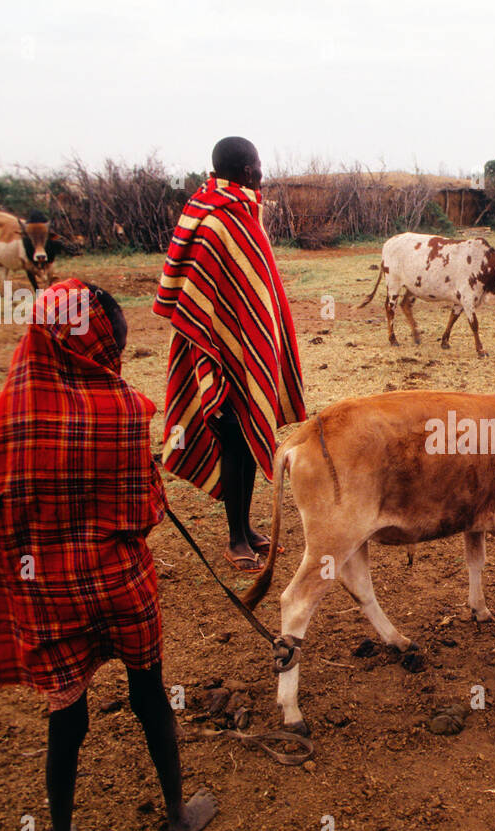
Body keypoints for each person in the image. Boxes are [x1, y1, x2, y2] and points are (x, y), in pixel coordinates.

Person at [0, 280, 216, 831]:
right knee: (149, 696)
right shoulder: (126, 411)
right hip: (120, 588)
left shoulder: (15, 409)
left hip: (48, 599)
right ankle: (177, 817)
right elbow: (146, 512)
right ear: (97, 347)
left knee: (67, 719)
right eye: (115, 352)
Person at [155, 136, 306, 571]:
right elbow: (203, 295)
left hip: (236, 349)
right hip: (214, 353)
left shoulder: (223, 206)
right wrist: (217, 354)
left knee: (242, 443)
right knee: (233, 444)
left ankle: (246, 528)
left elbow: (253, 291)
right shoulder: (222, 220)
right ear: (244, 171)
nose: (261, 172)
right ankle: (236, 536)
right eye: (257, 165)